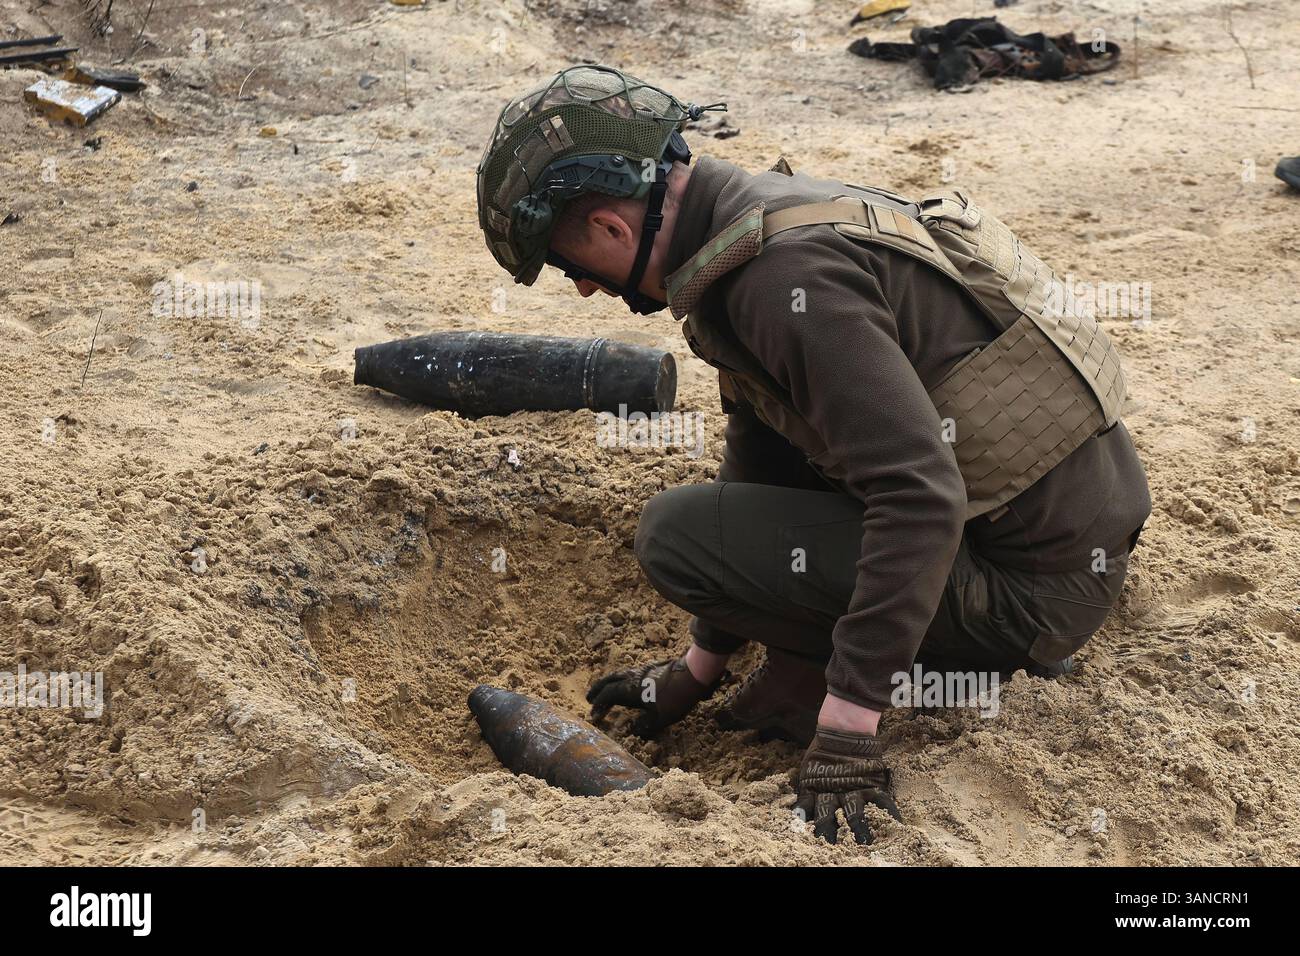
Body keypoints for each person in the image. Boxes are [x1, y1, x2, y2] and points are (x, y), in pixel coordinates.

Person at [475, 65, 1151, 844]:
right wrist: (699, 667)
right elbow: (762, 465)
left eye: (571, 269)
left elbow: (920, 495)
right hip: (1063, 531)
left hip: (1034, 591)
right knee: (718, 524)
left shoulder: (778, 279)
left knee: (673, 535)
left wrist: (848, 729)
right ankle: (807, 667)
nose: (587, 292)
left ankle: (932, 667)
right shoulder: (757, 221)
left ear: (610, 230)